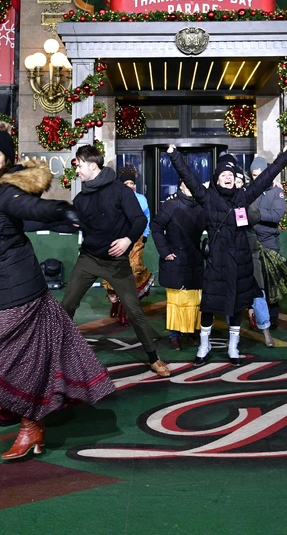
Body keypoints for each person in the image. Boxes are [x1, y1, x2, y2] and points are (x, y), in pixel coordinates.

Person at [0, 130, 113, 461]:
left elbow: (34, 207)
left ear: (8, 160)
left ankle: (30, 426)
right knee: (30, 353)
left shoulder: (5, 191)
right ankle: (33, 423)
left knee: (19, 355)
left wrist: (63, 211)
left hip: (17, 284)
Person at [167, 145, 287, 365]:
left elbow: (265, 178)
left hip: (241, 261)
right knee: (209, 305)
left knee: (236, 305)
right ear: (216, 179)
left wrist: (284, 156)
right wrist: (174, 155)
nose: (228, 178)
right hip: (217, 261)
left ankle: (233, 347)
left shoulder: (243, 196)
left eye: (231, 175)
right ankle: (204, 346)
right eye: (223, 174)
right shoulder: (207, 197)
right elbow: (189, 176)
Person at [61, 145, 171, 378]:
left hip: (117, 263)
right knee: (67, 304)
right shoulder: (81, 198)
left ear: (93, 166)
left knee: (134, 311)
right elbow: (74, 223)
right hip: (88, 259)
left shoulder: (120, 191)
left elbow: (139, 220)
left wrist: (127, 240)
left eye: (79, 165)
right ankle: (57, 353)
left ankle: (153, 358)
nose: (77, 170)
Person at [249, 156, 287, 346]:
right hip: (251, 242)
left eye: (260, 174)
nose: (257, 178)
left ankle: (273, 316)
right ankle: (255, 314)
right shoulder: (250, 191)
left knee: (271, 281)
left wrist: (254, 214)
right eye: (254, 175)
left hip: (269, 243)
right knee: (255, 282)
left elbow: (276, 216)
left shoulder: (277, 193)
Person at [151, 181, 205, 351]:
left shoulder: (202, 205)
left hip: (194, 259)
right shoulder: (170, 204)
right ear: (181, 186)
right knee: (176, 300)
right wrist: (165, 251)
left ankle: (191, 331)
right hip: (175, 259)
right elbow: (156, 227)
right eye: (186, 184)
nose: (190, 187)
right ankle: (174, 335)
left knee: (194, 300)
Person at [100, 165, 155, 324]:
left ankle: (125, 309)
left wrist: (145, 235)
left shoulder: (141, 199)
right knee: (114, 272)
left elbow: (146, 218)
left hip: (136, 241)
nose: (130, 186)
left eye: (132, 183)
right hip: (117, 239)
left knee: (133, 273)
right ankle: (115, 302)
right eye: (126, 183)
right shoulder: (114, 198)